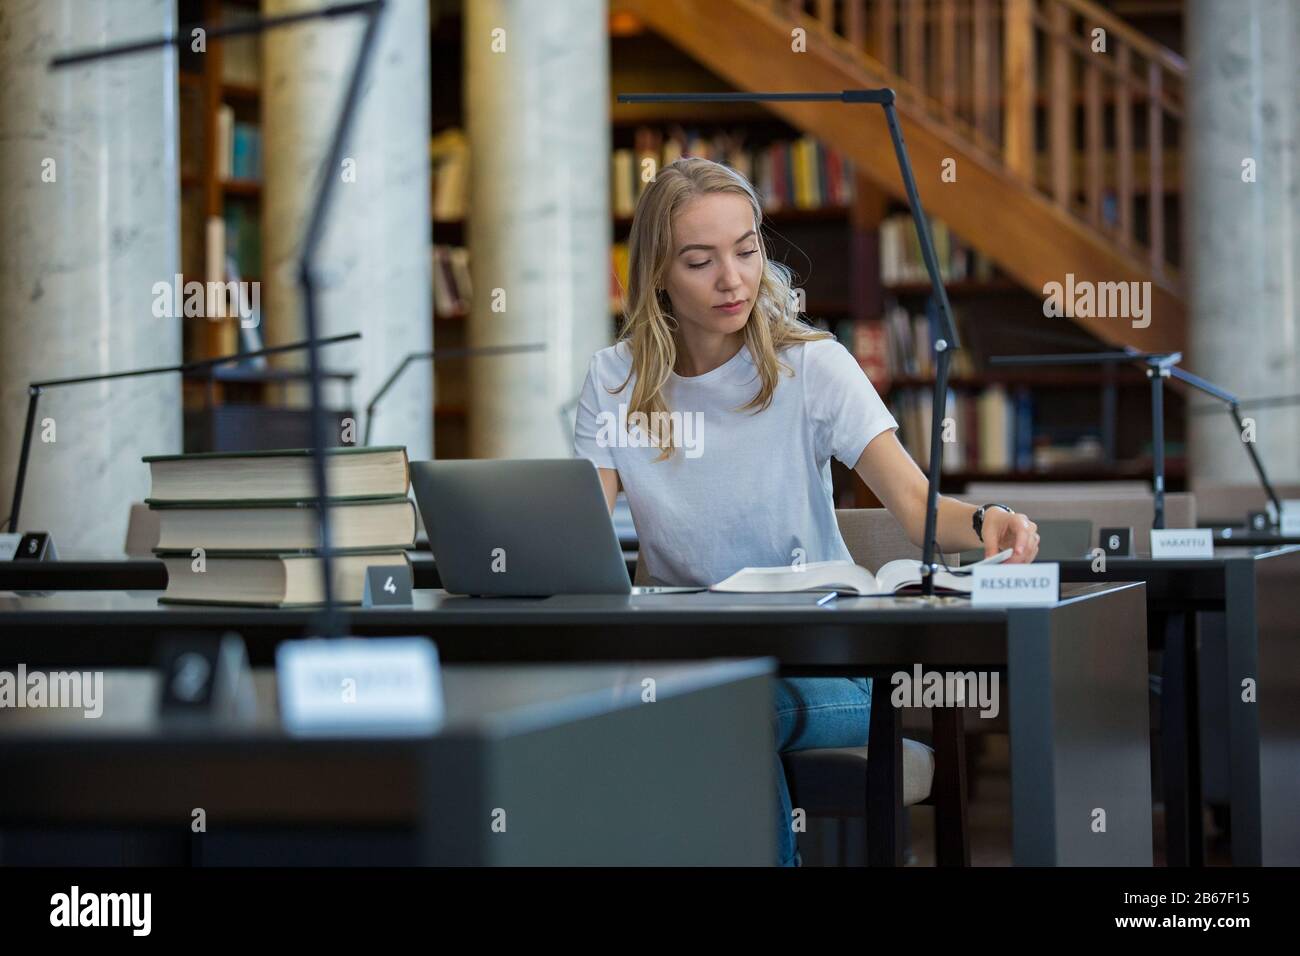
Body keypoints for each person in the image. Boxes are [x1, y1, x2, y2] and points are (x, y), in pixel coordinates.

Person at [574, 156, 1039, 866]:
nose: (733, 279)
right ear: (658, 274)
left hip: (827, 669)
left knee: (715, 711)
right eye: (701, 261)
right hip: (680, 664)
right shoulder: (616, 381)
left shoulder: (811, 365)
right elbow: (579, 534)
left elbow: (913, 508)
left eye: (747, 249)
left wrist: (987, 523)